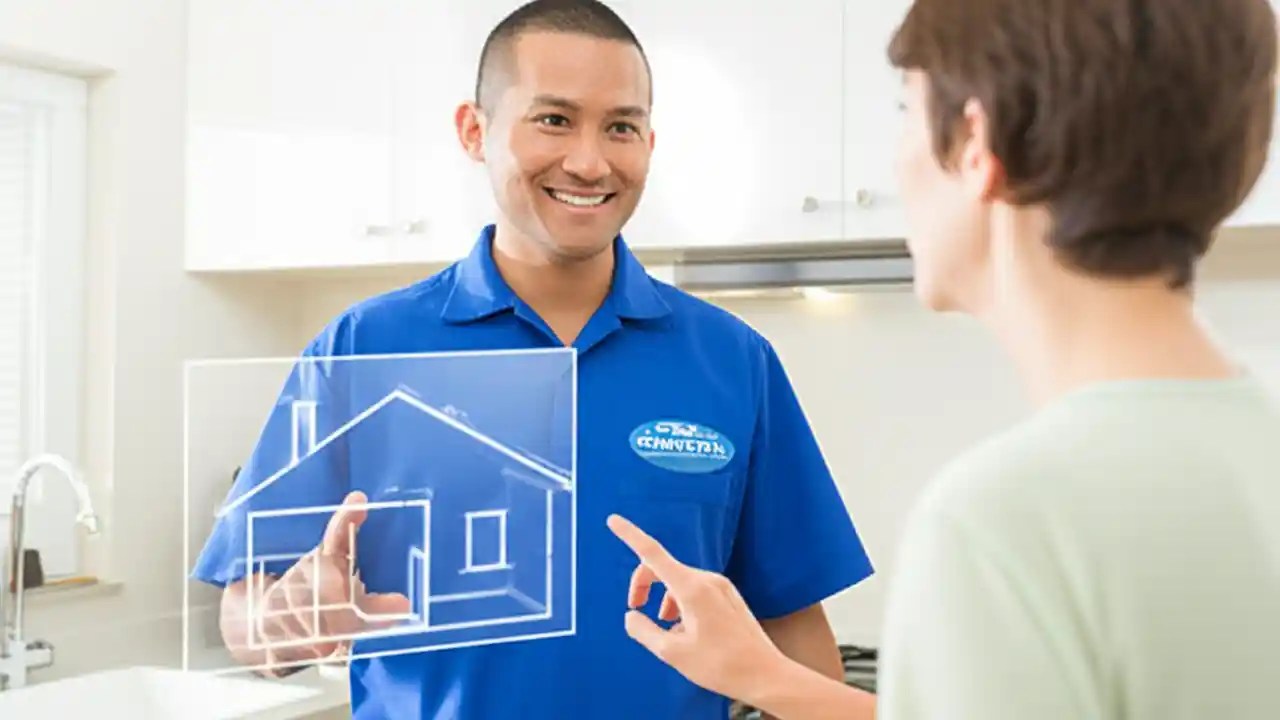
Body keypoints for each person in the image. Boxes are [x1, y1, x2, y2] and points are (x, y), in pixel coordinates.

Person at [191, 1, 874, 718]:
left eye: (621, 127)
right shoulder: (361, 349)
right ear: (474, 131)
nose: (590, 160)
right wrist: (290, 618)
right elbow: (245, 622)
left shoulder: (734, 361)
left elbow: (792, 625)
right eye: (554, 119)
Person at [608, 0, 1280, 718]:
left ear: (973, 141)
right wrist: (766, 676)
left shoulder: (1000, 524)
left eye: (907, 109)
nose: (898, 161)